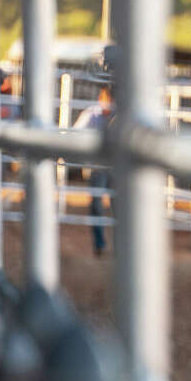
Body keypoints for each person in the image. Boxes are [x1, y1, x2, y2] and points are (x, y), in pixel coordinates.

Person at [73, 85, 113, 256]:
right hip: (98, 166)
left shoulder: (120, 114)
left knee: (120, 206)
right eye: (106, 98)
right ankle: (99, 244)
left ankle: (122, 246)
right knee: (97, 205)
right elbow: (75, 133)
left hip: (116, 167)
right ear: (101, 98)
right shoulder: (91, 113)